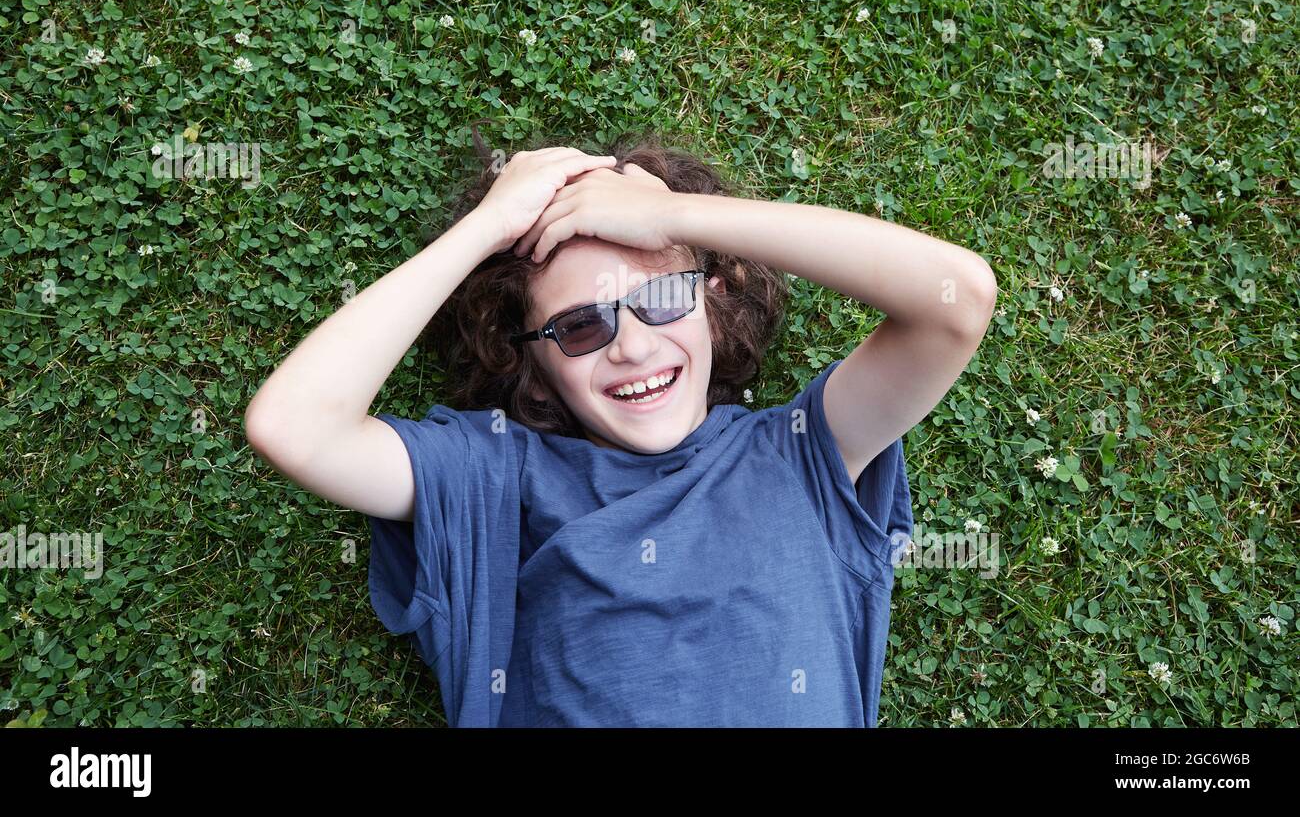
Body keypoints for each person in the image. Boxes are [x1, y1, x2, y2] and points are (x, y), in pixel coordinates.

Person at [244, 125, 997, 726]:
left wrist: (671, 216)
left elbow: (956, 299)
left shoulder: (802, 453)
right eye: (579, 326)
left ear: (716, 299)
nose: (632, 344)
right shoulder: (497, 478)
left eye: (664, 296)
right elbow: (296, 427)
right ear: (532, 364)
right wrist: (488, 227)